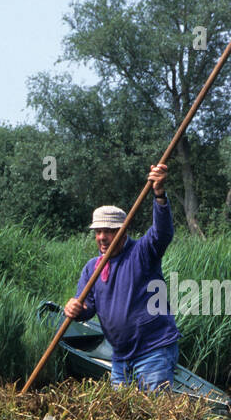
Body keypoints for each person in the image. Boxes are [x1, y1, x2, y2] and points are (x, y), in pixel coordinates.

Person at [63, 163, 179, 390]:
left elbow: (162, 233)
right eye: (98, 232)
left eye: (109, 231)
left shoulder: (143, 252)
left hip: (153, 351)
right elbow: (87, 308)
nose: (102, 237)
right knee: (121, 412)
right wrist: (74, 309)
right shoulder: (92, 268)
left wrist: (159, 195)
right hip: (120, 357)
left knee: (155, 410)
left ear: (123, 231)